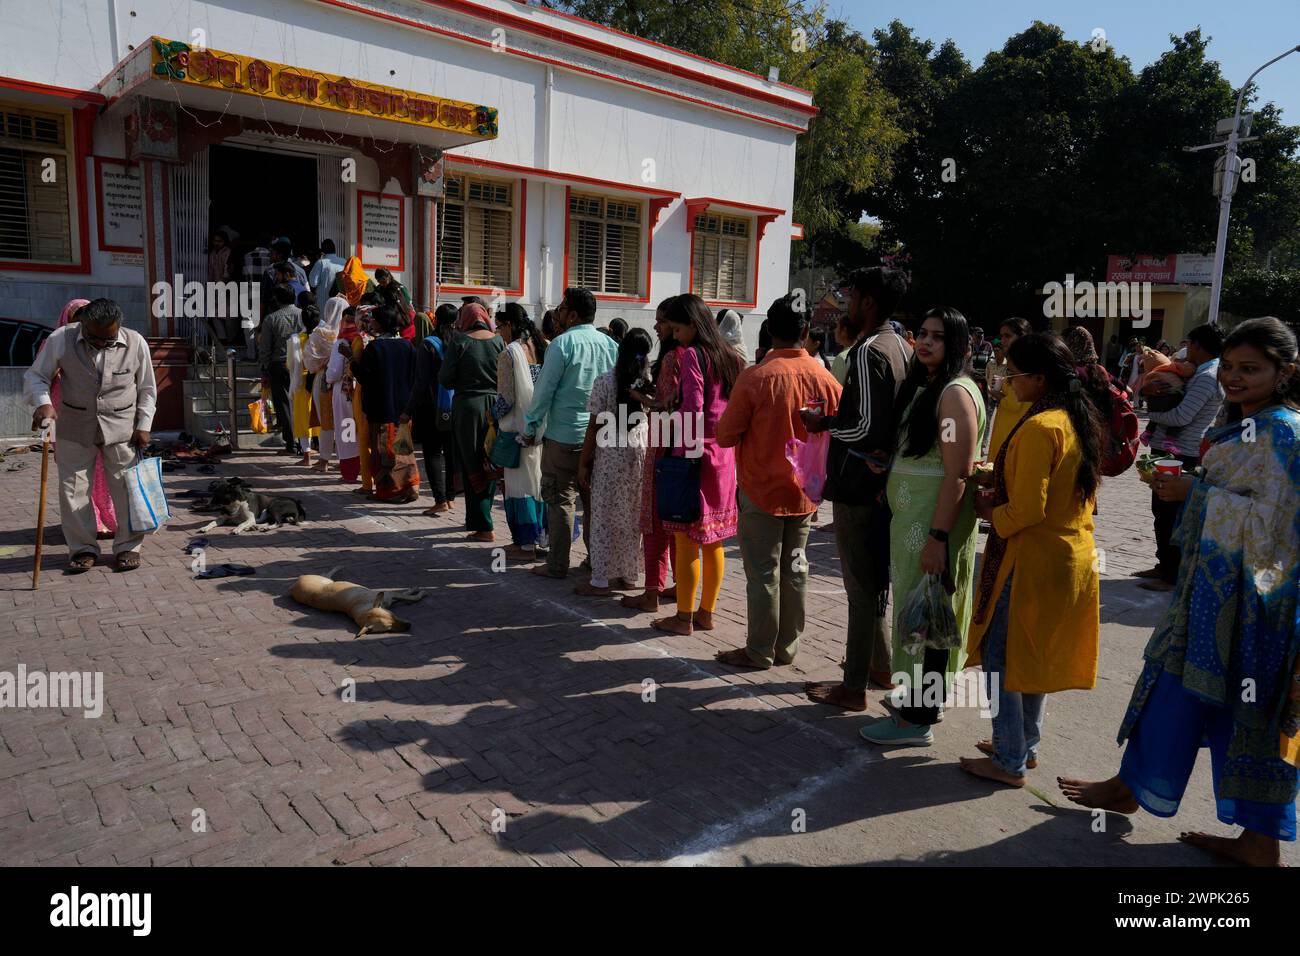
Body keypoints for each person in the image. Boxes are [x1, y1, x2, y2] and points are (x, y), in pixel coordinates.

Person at [1060, 317, 1300, 866]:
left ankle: (1260, 843)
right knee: (1167, 689)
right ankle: (1130, 787)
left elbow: (1281, 526)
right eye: (1232, 368)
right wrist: (1193, 490)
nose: (1234, 379)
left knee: (1252, 722)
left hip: (1259, 610)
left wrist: (1199, 493)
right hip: (1206, 594)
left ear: (1283, 372)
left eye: (1251, 369)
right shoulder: (1239, 421)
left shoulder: (1285, 433)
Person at [959, 333, 1103, 784]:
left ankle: (1008, 759)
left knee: (1003, 659)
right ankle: (1024, 743)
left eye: (1013, 374)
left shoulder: (1042, 428)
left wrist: (987, 509)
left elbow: (1027, 510)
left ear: (1039, 379)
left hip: (1033, 558)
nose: (1006, 382)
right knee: (1033, 657)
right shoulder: (1072, 418)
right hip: (1067, 556)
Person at [859, 307, 985, 746]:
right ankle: (915, 703)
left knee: (925, 621)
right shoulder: (931, 388)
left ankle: (915, 720)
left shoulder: (954, 394)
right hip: (913, 522)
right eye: (923, 334)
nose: (926, 343)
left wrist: (937, 538)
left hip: (930, 527)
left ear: (958, 345)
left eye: (938, 337)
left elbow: (958, 474)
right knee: (922, 617)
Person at [803, 266, 911, 711]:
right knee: (872, 583)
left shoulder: (869, 352)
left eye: (850, 295)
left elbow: (865, 427)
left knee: (860, 588)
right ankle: (880, 667)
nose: (845, 302)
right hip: (883, 482)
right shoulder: (900, 346)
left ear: (867, 302)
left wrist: (823, 423)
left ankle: (853, 688)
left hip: (860, 482)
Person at [714, 294, 842, 668]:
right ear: (806, 331)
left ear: (769, 331)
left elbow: (725, 435)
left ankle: (759, 650)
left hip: (761, 490)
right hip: (805, 494)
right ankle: (787, 647)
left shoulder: (756, 378)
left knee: (764, 574)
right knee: (796, 569)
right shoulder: (826, 379)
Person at [24, 298, 156, 573]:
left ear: (118, 326)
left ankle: (128, 547)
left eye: (109, 339)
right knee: (73, 491)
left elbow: (147, 388)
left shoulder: (136, 342)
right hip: (74, 426)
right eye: (96, 338)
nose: (103, 344)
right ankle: (83, 548)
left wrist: (144, 424)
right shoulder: (61, 338)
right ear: (83, 324)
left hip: (122, 429)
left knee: (125, 491)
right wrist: (43, 402)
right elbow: (36, 376)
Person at [651, 293, 744, 635]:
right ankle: (706, 612)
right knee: (713, 541)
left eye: (676, 328)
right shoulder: (731, 357)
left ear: (692, 324)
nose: (674, 335)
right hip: (723, 458)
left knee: (686, 538)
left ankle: (683, 617)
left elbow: (692, 411)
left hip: (695, 454)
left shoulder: (694, 355)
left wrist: (672, 426)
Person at [522, 288, 618, 578]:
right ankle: (595, 562)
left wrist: (530, 428)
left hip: (564, 437)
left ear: (572, 314)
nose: (559, 314)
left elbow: (543, 392)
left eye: (562, 308)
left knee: (560, 501)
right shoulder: (610, 345)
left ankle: (557, 564)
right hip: (600, 437)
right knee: (593, 504)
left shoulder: (562, 344)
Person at [1136, 322, 1224, 592]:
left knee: (1170, 513)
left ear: (1198, 345)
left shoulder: (1207, 377)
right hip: (1169, 448)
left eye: (1189, 344)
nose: (1186, 349)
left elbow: (1182, 416)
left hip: (1180, 452)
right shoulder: (1200, 372)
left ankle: (1172, 575)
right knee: (1160, 510)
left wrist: (1152, 415)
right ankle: (1164, 565)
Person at [576, 328, 653, 596]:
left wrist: (583, 462)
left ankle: (600, 580)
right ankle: (629, 576)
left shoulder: (605, 381)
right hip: (638, 453)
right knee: (633, 515)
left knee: (604, 515)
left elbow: (594, 426)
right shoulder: (647, 383)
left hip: (610, 454)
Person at [37, 299, 116, 541]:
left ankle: (109, 518)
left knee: (103, 470)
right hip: (65, 416)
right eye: (77, 318)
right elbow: (39, 377)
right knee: (76, 475)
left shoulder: (103, 342)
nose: (81, 324)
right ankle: (87, 523)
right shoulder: (55, 342)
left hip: (99, 417)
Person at [624, 298, 682, 613]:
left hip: (665, 447)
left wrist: (642, 399)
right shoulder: (707, 355)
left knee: (655, 523)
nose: (657, 328)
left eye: (661, 321)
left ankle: (652, 593)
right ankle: (681, 589)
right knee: (677, 524)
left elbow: (670, 406)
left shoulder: (674, 358)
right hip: (684, 447)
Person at [440, 303, 504, 540]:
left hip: (467, 407)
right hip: (494, 406)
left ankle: (483, 526)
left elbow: (445, 378)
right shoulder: (498, 341)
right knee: (489, 460)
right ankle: (483, 519)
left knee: (471, 464)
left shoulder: (460, 341)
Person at [494, 303, 548, 558]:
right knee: (539, 484)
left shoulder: (509, 354)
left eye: (500, 326)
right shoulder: (542, 347)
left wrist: (492, 413)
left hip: (518, 430)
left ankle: (526, 545)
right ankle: (544, 539)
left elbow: (505, 398)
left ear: (510, 325)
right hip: (543, 429)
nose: (498, 331)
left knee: (520, 486)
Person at [355, 305, 420, 503]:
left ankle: (391, 490)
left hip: (381, 407)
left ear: (382, 323)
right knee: (403, 449)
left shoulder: (375, 348)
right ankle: (409, 486)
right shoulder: (408, 346)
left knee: (385, 451)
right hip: (402, 408)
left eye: (374, 320)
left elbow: (365, 376)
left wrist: (351, 361)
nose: (372, 323)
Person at [406, 304, 459, 517]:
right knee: (451, 453)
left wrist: (408, 410)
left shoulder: (428, 345)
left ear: (434, 320)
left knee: (433, 453)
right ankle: (452, 497)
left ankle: (440, 500)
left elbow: (421, 382)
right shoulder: (461, 342)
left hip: (431, 407)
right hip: (456, 405)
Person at [259, 283, 304, 456]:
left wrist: (263, 370)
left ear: (277, 299)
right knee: (302, 402)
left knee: (284, 404)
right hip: (301, 364)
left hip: (279, 365)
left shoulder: (271, 319)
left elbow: (265, 349)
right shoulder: (303, 314)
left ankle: (291, 443)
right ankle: (305, 442)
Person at [304, 295, 345, 473]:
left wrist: (323, 364)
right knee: (346, 421)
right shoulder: (348, 334)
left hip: (323, 379)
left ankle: (324, 459)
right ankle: (347, 459)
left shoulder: (319, 334)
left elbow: (309, 362)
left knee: (326, 420)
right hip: (346, 380)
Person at [986, 318, 1033, 460]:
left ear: (1022, 337)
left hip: (1012, 429)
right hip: (1010, 426)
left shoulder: (1022, 363)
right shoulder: (1019, 361)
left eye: (1008, 336)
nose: (1003, 340)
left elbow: (1014, 403)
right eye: (1001, 336)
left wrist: (995, 393)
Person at [327, 306, 364, 484]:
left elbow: (333, 373)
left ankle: (350, 472)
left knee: (347, 431)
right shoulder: (364, 339)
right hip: (362, 389)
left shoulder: (341, 343)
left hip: (344, 392)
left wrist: (327, 378)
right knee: (361, 431)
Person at [287, 302, 319, 465]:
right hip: (319, 381)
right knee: (322, 417)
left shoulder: (295, 339)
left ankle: (306, 455)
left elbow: (290, 364)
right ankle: (326, 456)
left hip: (301, 381)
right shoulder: (323, 336)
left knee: (302, 418)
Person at [309, 239, 346, 306]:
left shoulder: (320, 263)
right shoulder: (344, 262)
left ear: (322, 251)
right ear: (335, 249)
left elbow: (313, 283)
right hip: (341, 301)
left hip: (324, 301)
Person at [829, 315, 853, 386]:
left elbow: (834, 388)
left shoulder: (842, 358)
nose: (835, 330)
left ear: (844, 330)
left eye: (837, 327)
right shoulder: (859, 351)